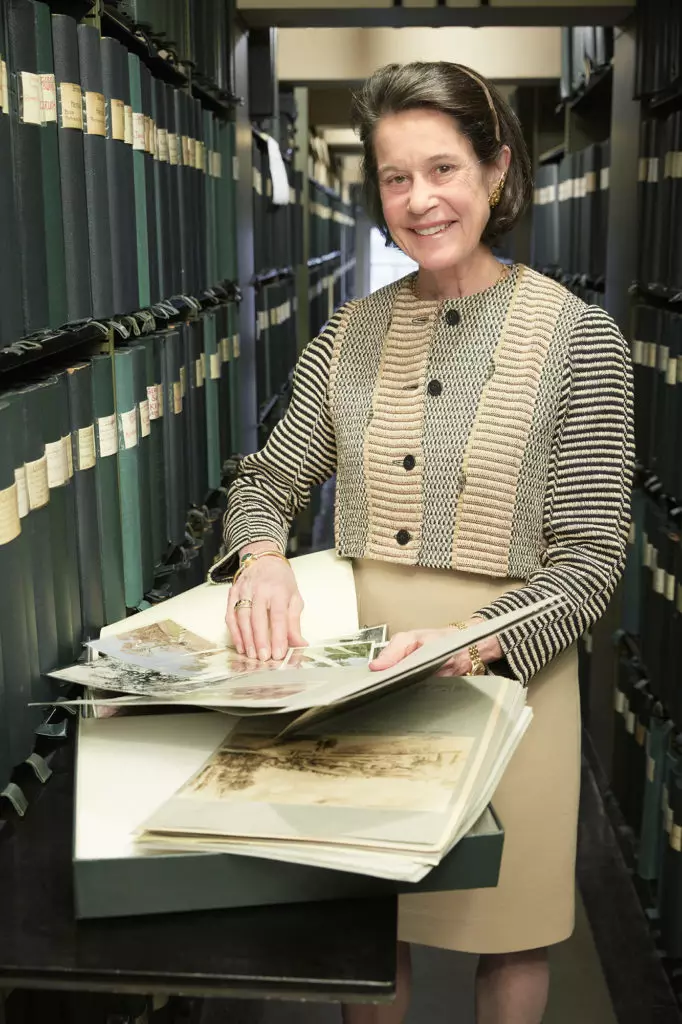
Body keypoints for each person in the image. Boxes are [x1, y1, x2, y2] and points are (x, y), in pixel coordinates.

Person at [211, 61, 634, 1024]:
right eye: (396, 178)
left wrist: (471, 642)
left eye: (443, 169)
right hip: (366, 674)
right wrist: (264, 556)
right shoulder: (348, 332)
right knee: (378, 925)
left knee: (511, 925)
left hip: (511, 674)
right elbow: (268, 481)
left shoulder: (583, 339)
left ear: (496, 169)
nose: (420, 199)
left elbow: (590, 558)